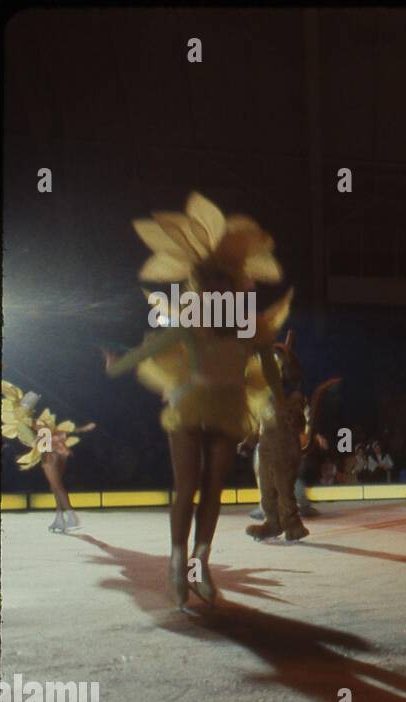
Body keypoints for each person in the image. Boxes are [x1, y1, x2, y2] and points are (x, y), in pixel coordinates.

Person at [106, 192, 289, 608]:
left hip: (229, 406)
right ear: (202, 285)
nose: (216, 287)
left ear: (233, 283)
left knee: (212, 488)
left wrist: (279, 402)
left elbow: (269, 365)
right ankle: (176, 561)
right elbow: (149, 350)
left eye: (222, 280)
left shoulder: (249, 326)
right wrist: (116, 366)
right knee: (187, 485)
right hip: (190, 403)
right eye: (210, 281)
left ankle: (198, 564)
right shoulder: (192, 323)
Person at [1, 381, 96, 532]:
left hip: (49, 455)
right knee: (55, 486)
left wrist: (41, 443)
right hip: (52, 453)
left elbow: (46, 436)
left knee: (57, 485)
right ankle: (60, 517)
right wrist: (82, 429)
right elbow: (57, 432)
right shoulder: (34, 422)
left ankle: (71, 516)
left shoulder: (29, 421)